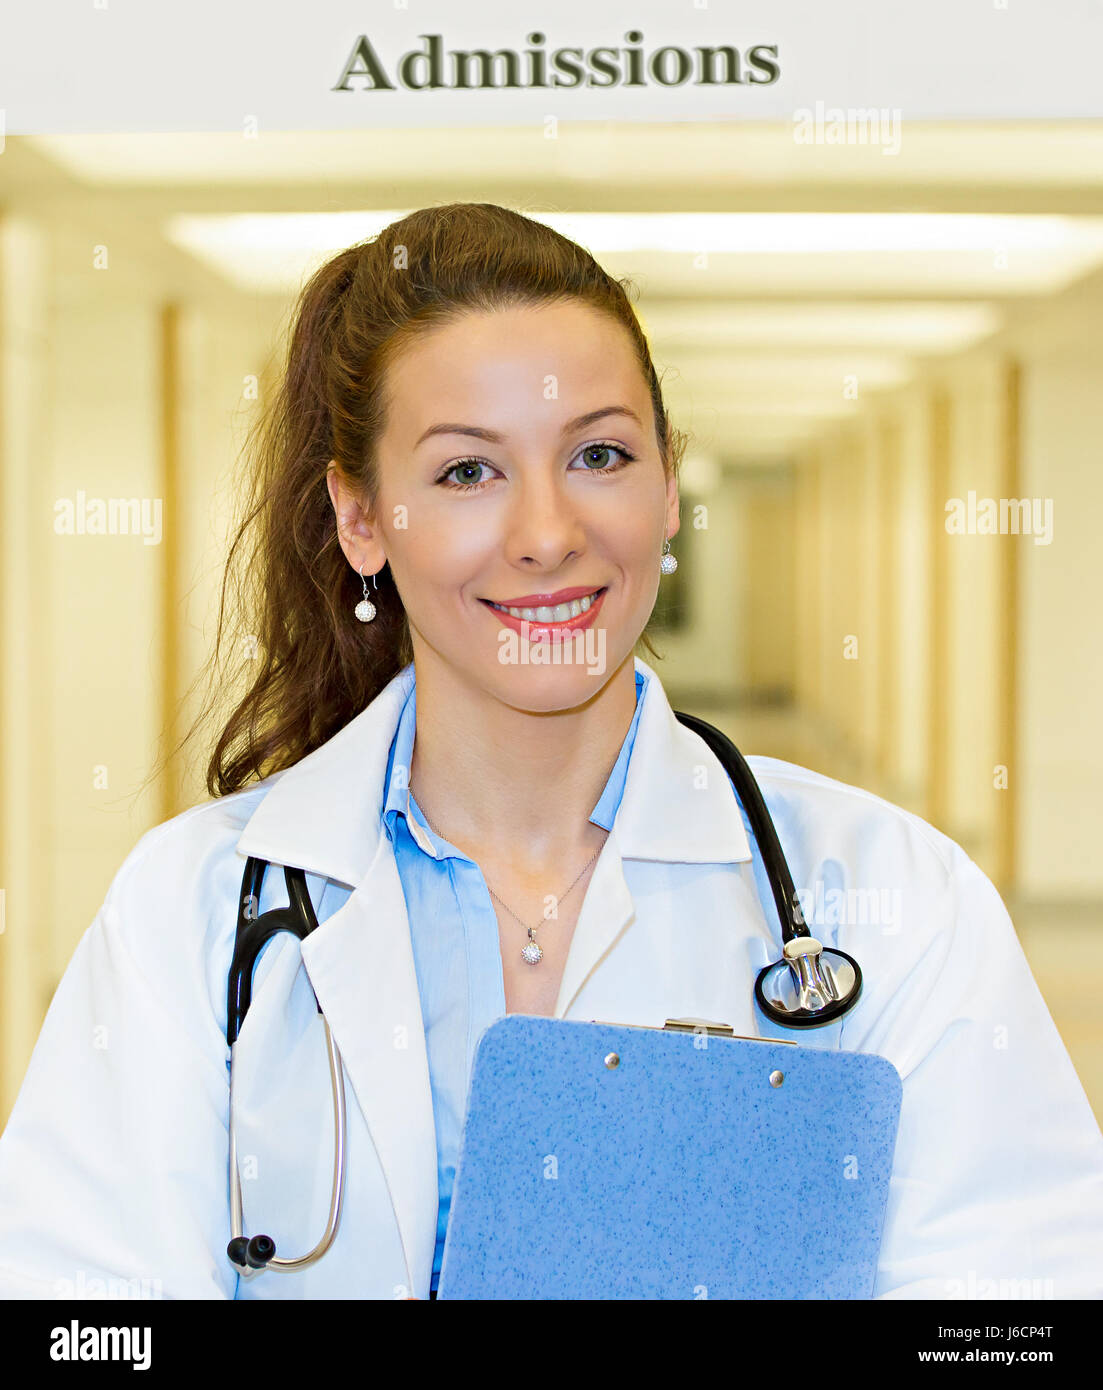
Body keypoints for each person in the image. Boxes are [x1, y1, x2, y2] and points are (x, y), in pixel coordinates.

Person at [0, 203, 1100, 1301]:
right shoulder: (188, 913)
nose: (545, 532)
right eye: (466, 473)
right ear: (361, 519)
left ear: (668, 484)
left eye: (598, 454)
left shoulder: (892, 898)